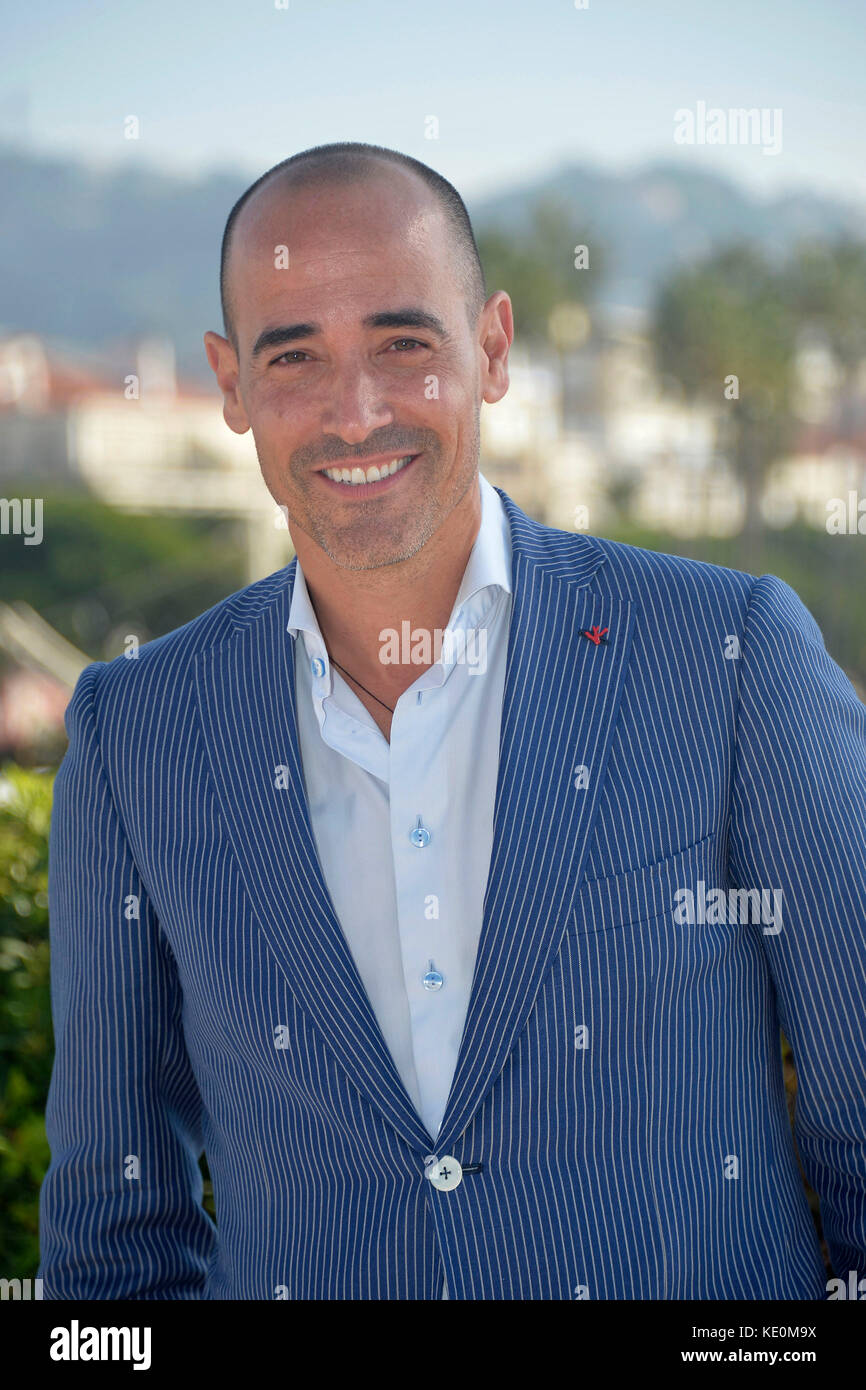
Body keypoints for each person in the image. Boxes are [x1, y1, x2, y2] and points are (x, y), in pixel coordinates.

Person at [38, 142, 866, 1300]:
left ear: (489, 348)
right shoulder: (134, 736)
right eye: (295, 357)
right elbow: (111, 1234)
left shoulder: (728, 657)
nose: (355, 410)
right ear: (231, 385)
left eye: (402, 344)